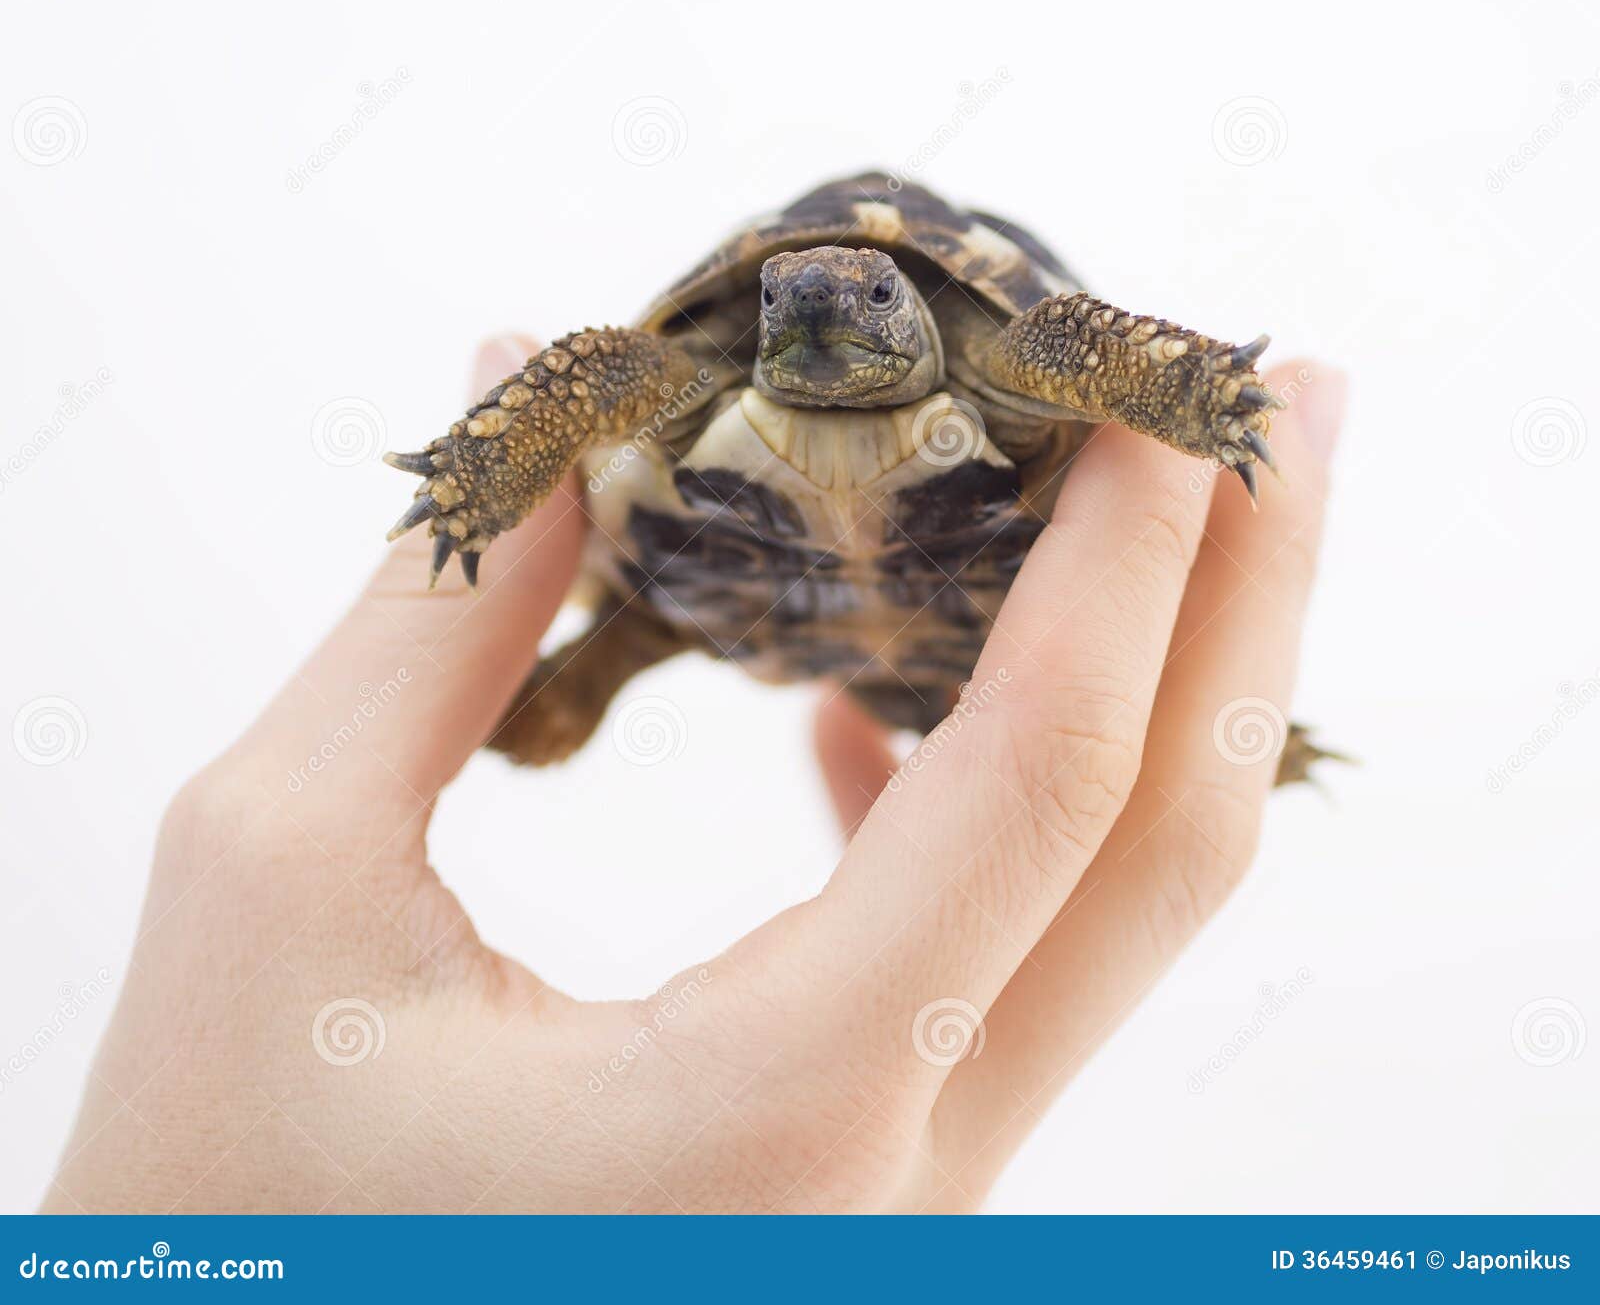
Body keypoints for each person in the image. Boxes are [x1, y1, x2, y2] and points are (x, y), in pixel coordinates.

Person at [43, 336, 1343, 1213]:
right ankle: (593, 672)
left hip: (939, 620)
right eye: (791, 302)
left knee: (1117, 696)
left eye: (866, 301)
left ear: (916, 324)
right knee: (610, 613)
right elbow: (600, 370)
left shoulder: (1018, 351)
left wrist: (1178, 382)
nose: (824, 313)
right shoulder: (687, 373)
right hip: (699, 587)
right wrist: (499, 456)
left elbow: (1078, 349)